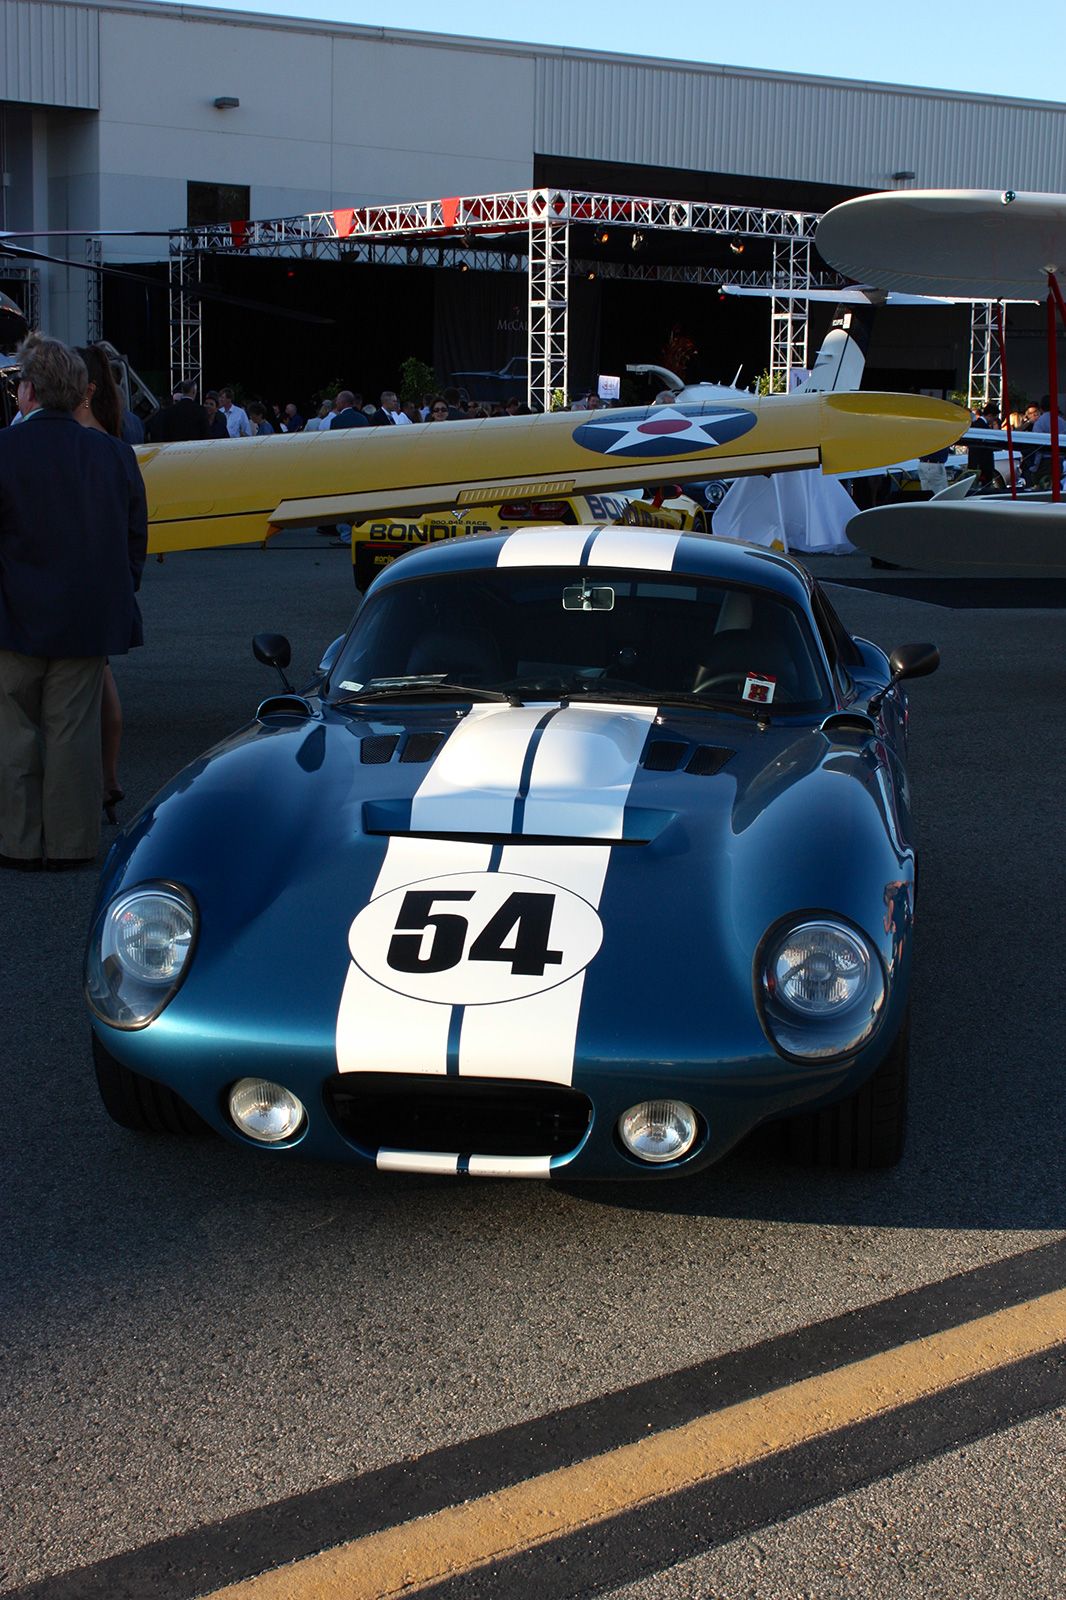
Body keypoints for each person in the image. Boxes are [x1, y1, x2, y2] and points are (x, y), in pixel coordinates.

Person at [0, 335, 147, 870]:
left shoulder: (5, 448)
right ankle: (70, 843)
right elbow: (133, 538)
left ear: (29, 391)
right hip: (86, 619)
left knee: (13, 733)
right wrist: (115, 592)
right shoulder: (113, 453)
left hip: (12, 617)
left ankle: (18, 842)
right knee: (73, 733)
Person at [76, 345, 139, 820]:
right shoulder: (119, 446)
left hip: (69, 585)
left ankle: (85, 788)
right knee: (101, 675)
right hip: (107, 584)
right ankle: (109, 778)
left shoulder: (68, 445)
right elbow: (136, 529)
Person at [145, 378, 209, 443]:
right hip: (194, 447)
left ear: (182, 391)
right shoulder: (201, 410)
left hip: (174, 447)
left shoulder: (170, 411)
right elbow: (205, 434)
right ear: (194, 391)